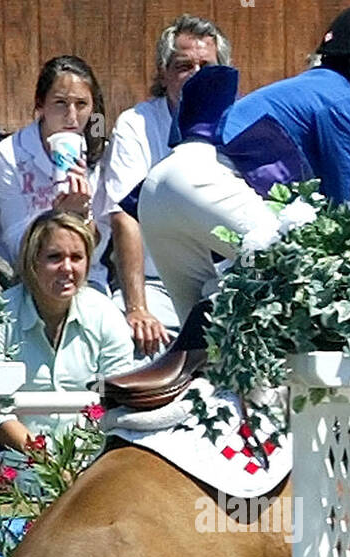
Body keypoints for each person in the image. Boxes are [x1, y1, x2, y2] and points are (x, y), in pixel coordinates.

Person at [141, 5, 350, 325]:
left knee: (198, 345)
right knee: (312, 271)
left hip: (157, 191)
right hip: (200, 183)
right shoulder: (345, 99)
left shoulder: (310, 88)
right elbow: (349, 208)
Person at [101, 14, 229, 355]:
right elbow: (124, 216)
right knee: (124, 340)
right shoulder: (136, 124)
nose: (197, 76)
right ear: (164, 72)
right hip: (157, 287)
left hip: (227, 283)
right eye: (184, 66)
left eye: (207, 66)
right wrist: (137, 307)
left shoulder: (243, 122)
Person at [0, 211, 133, 457]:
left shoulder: (106, 314)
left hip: (91, 457)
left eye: (77, 257)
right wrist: (47, 462)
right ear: (33, 261)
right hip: (15, 458)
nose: (67, 268)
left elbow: (117, 399)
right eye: (55, 257)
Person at [0, 56, 107, 287]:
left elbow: (100, 247)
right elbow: (13, 242)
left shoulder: (101, 154)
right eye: (61, 103)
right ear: (41, 104)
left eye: (81, 104)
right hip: (22, 277)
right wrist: (57, 218)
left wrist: (83, 216)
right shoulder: (11, 154)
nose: (72, 117)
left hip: (85, 278)